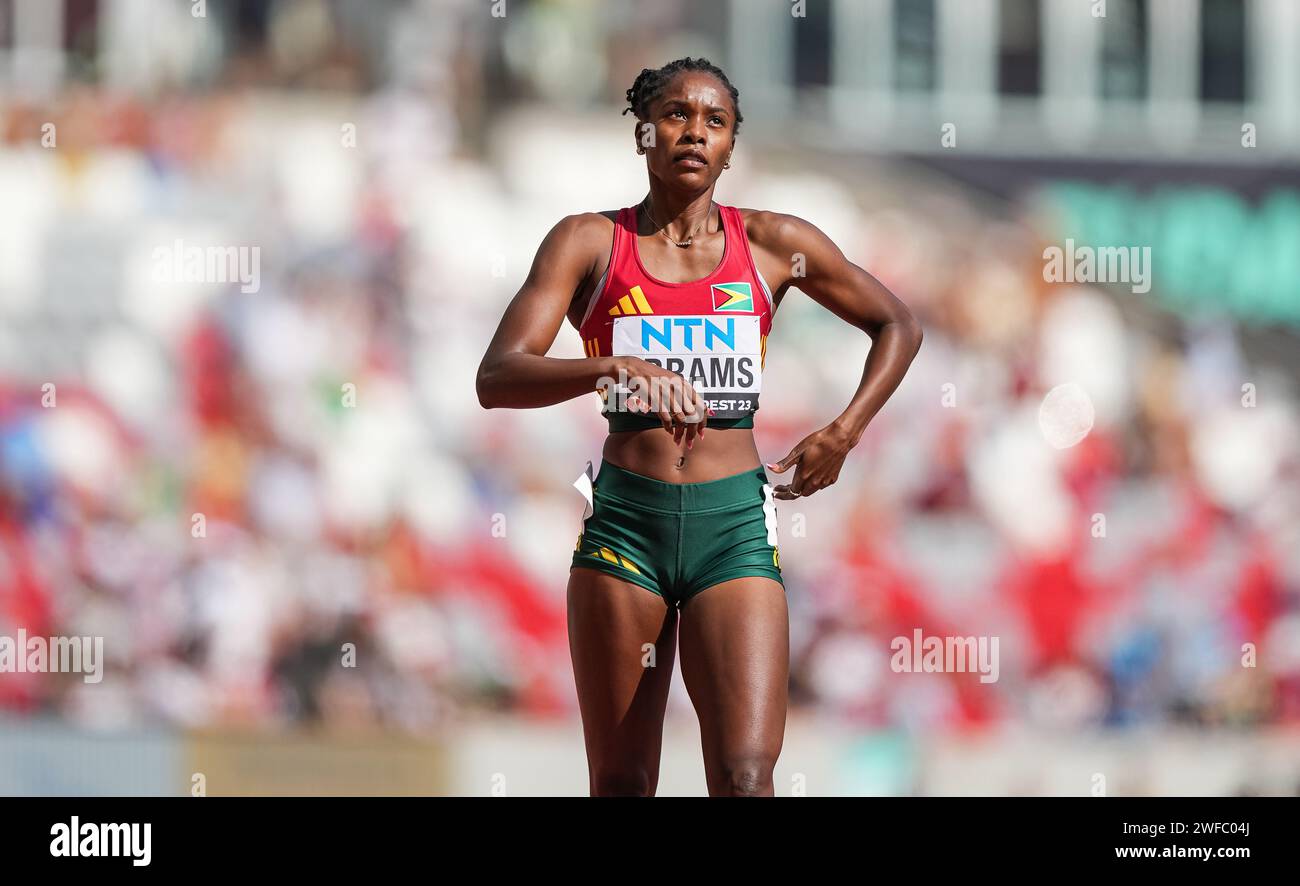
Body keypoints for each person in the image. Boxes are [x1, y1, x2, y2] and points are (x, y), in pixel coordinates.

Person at [476, 57, 922, 796]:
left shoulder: (776, 244)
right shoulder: (588, 243)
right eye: (677, 115)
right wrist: (609, 370)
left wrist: (844, 431)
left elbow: (896, 322)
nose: (695, 133)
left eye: (716, 122)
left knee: (745, 777)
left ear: (732, 145)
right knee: (622, 781)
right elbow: (497, 378)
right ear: (643, 132)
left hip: (734, 530)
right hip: (626, 529)